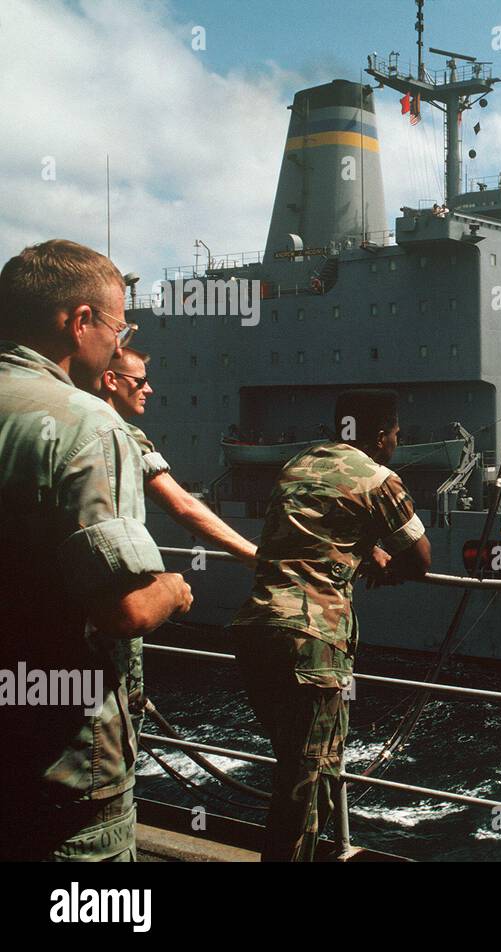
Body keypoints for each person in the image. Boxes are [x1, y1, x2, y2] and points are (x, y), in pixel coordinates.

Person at [0, 239, 192, 861]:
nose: (118, 343)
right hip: (64, 768)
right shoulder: (87, 424)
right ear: (80, 322)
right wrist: (174, 586)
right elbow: (125, 610)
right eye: (119, 326)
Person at [228, 389, 432, 861]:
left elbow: (318, 533)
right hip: (312, 643)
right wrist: (385, 566)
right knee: (307, 784)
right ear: (381, 437)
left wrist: (363, 550)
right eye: (397, 436)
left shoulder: (299, 464)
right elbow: (420, 560)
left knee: (294, 774)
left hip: (256, 628)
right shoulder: (380, 478)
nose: (397, 444)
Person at [100, 347, 257, 567]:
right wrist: (256, 556)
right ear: (111, 380)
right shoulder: (126, 436)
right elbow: (183, 505)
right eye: (140, 381)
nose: (149, 389)